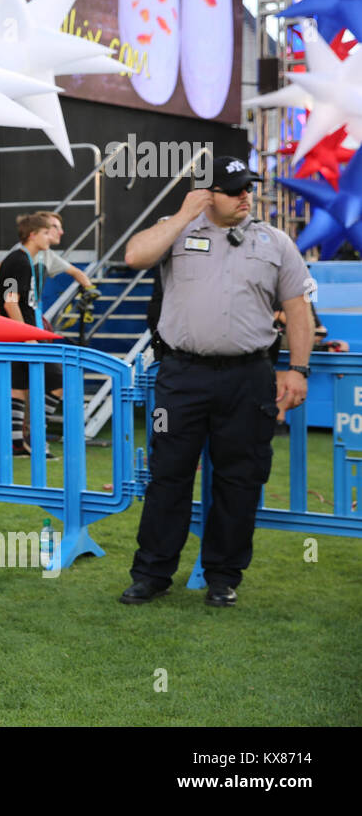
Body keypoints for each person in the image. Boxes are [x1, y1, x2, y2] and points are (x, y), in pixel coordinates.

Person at [120, 155, 311, 607]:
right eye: (234, 189)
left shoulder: (274, 240)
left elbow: (298, 310)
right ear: (207, 195)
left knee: (239, 478)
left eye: (248, 187)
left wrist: (298, 369)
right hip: (181, 377)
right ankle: (152, 574)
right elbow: (134, 256)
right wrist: (185, 214)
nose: (246, 195)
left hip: (249, 377)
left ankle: (223, 576)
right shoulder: (178, 228)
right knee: (168, 475)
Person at [0, 213, 63, 456]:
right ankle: (35, 438)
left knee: (20, 385)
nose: (50, 236)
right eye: (46, 232)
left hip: (24, 330)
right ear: (33, 235)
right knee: (56, 381)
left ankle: (18, 443)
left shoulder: (25, 261)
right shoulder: (19, 260)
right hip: (22, 334)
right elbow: (10, 301)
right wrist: (27, 336)